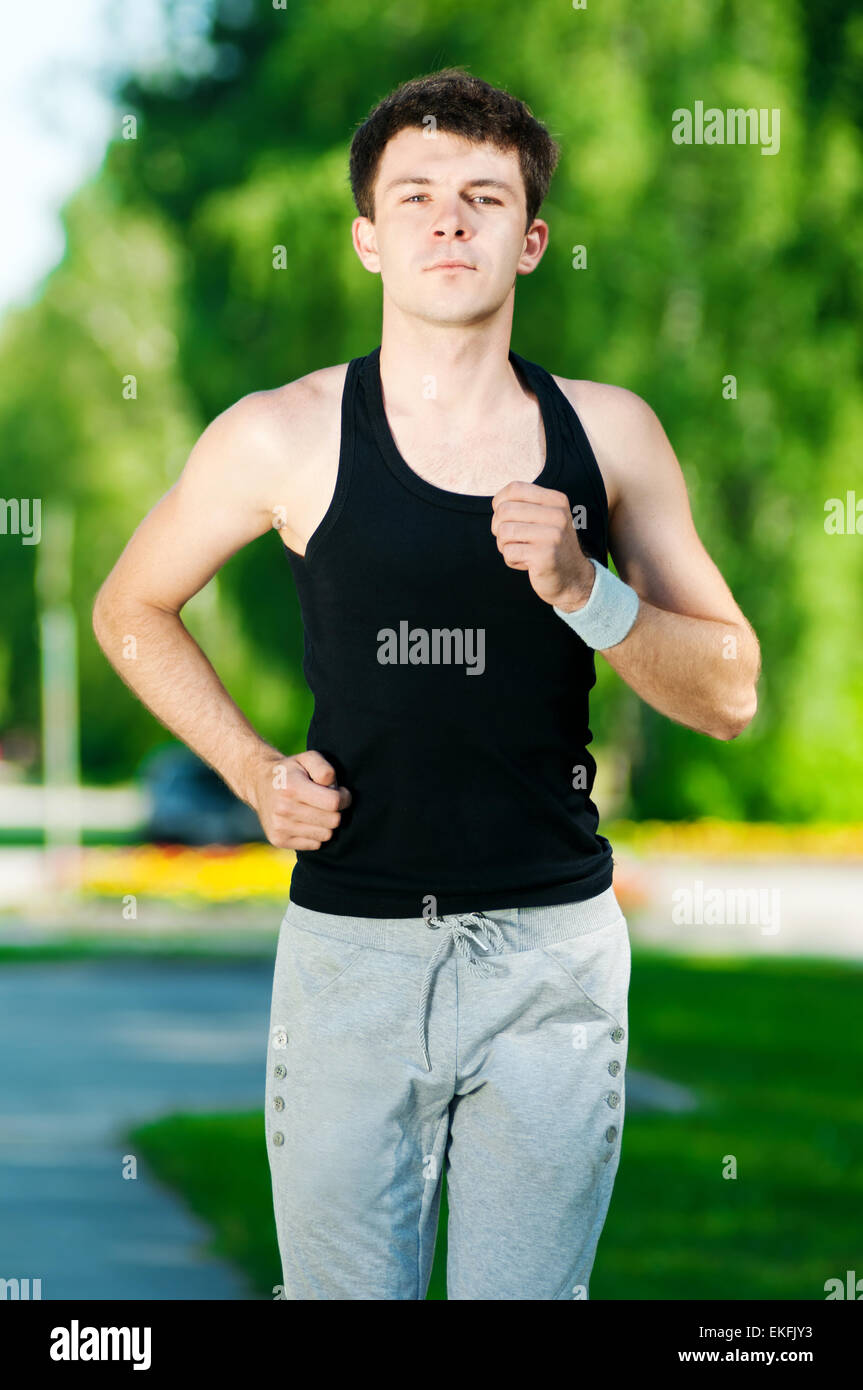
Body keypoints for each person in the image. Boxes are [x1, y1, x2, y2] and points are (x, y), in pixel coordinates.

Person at [92, 67, 761, 1300]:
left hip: (551, 958)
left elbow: (727, 690)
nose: (448, 221)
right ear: (366, 237)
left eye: (481, 196)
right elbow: (128, 606)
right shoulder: (279, 435)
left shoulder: (608, 437)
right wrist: (251, 771)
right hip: (350, 955)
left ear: (531, 237)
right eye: (415, 196)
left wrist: (584, 588)